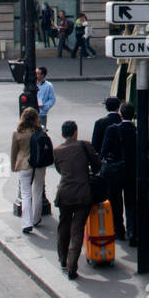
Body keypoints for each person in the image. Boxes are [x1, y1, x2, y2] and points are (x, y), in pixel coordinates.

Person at [52, 120, 100, 280]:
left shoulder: (57, 151)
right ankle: (73, 265)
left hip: (65, 192)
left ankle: (62, 259)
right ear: (76, 132)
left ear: (62, 134)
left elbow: (59, 170)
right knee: (77, 229)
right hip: (82, 193)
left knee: (63, 226)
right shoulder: (84, 146)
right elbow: (97, 166)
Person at [101, 102, 137, 243]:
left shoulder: (112, 130)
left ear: (121, 115)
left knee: (115, 202)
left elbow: (104, 150)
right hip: (131, 171)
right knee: (131, 203)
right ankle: (132, 232)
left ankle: (119, 230)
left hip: (115, 171)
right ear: (133, 115)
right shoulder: (136, 130)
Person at [11, 106, 44, 234]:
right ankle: (36, 218)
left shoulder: (17, 132)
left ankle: (27, 223)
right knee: (38, 191)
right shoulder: (39, 131)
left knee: (26, 194)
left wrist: (13, 166)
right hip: (39, 164)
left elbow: (14, 151)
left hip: (24, 165)